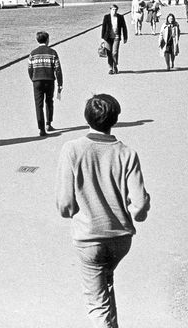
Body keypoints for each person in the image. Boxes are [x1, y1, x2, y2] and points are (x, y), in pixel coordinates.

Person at [56, 94, 150, 328]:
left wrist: (78, 211)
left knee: (97, 303)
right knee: (105, 285)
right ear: (115, 119)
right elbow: (139, 207)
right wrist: (139, 210)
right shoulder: (127, 153)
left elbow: (65, 205)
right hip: (120, 239)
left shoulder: (72, 149)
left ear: (86, 117)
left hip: (90, 238)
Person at [28, 30, 63, 136]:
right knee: (49, 102)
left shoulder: (33, 53)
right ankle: (48, 123)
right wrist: (60, 83)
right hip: (49, 80)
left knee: (38, 105)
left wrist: (33, 78)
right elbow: (58, 69)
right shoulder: (52, 52)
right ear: (47, 40)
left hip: (37, 81)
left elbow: (30, 69)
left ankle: (41, 129)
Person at [100, 4, 128, 75]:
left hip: (116, 37)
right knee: (109, 53)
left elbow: (124, 27)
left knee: (114, 53)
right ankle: (110, 68)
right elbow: (103, 28)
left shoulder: (120, 17)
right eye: (113, 9)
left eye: (115, 10)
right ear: (110, 10)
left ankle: (115, 66)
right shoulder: (106, 17)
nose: (114, 11)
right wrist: (102, 38)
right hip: (108, 38)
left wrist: (125, 37)